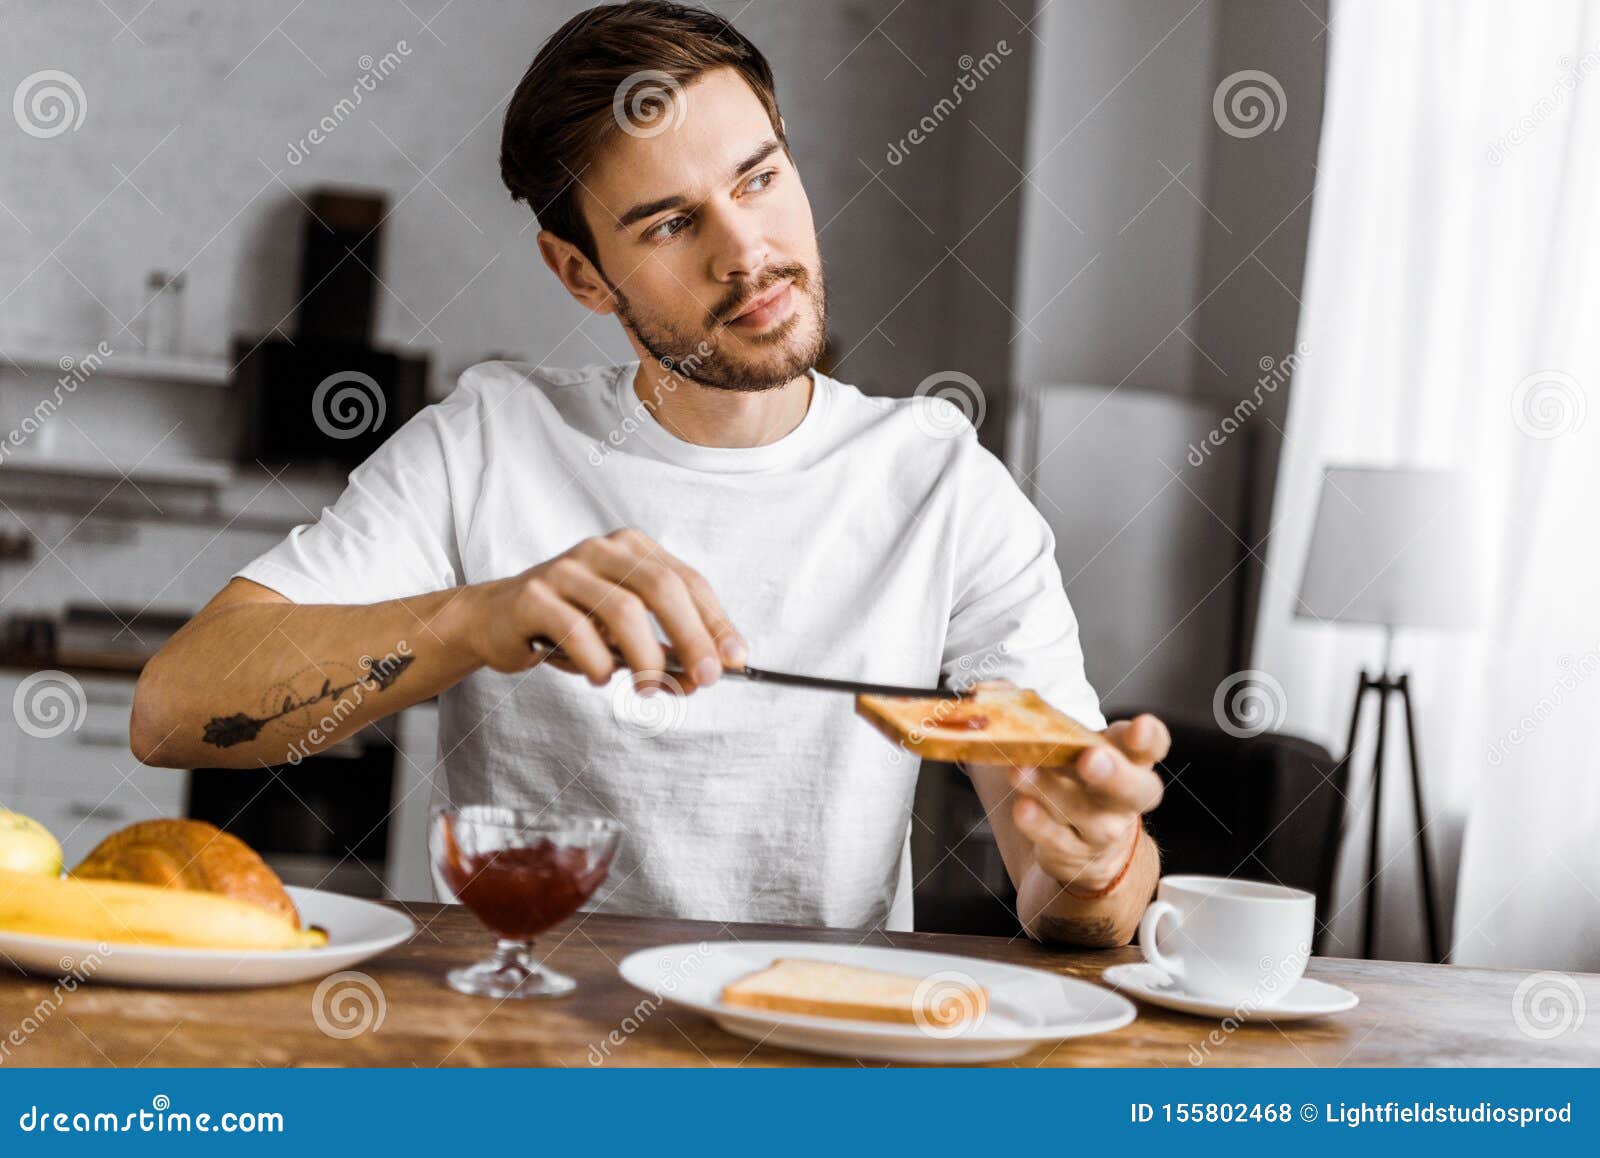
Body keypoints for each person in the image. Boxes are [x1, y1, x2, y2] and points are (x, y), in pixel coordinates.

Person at [131, 0, 1168, 946]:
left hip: (812, 1059)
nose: (746, 250)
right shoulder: (487, 442)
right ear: (581, 273)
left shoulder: (943, 482)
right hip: (524, 1051)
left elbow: (1072, 895)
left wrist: (1094, 864)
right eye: (671, 223)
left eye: (760, 179)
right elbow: (170, 712)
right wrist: (473, 621)